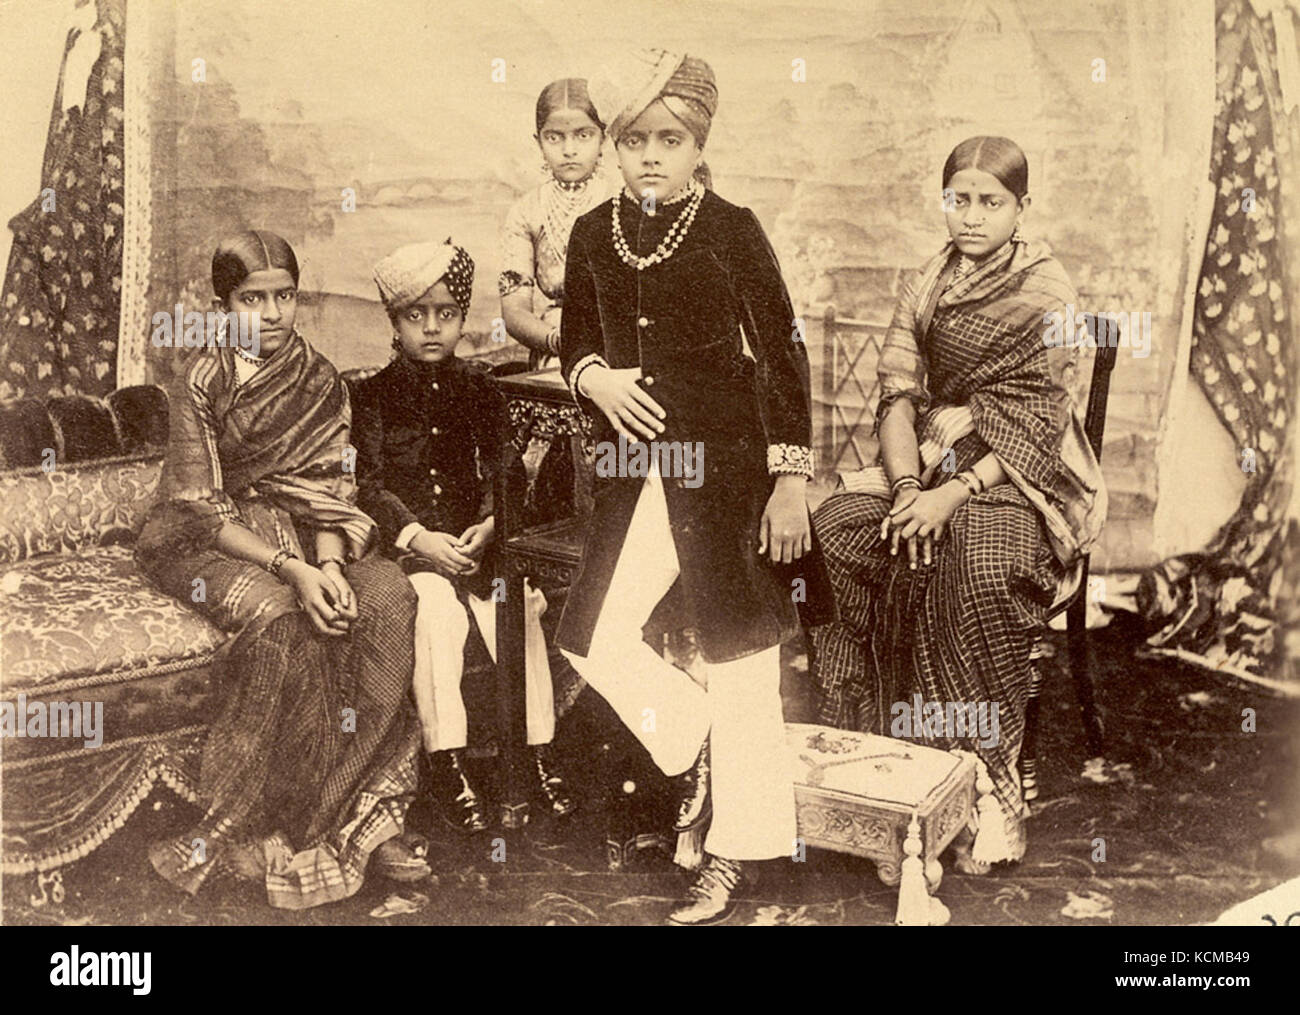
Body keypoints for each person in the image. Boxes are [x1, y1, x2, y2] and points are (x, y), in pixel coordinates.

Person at [558, 49, 833, 925]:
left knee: (740, 654)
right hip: (635, 465)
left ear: (696, 143)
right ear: (613, 146)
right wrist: (592, 378)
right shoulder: (591, 233)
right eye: (633, 139)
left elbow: (784, 353)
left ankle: (736, 856)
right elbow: (573, 341)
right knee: (589, 636)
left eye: (668, 139)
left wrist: (789, 484)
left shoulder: (732, 227)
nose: (649, 156)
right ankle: (701, 742)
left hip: (726, 464)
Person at [808, 136, 1107, 868]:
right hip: (931, 460)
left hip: (1023, 478)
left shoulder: (1050, 291)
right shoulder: (925, 282)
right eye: (959, 200)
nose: (971, 216)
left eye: (990, 202)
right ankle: (877, 766)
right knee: (839, 531)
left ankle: (982, 784)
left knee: (976, 563)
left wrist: (957, 493)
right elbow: (897, 399)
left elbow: (1042, 422)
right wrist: (911, 488)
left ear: (1021, 208)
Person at [135, 229, 429, 910]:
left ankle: (358, 815)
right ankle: (241, 827)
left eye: (284, 296)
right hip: (205, 540)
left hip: (304, 530)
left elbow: (330, 486)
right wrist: (293, 571)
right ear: (222, 304)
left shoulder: (318, 377)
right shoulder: (200, 382)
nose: (271, 313)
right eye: (252, 298)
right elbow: (201, 505)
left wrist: (327, 563)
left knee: (386, 596)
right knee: (279, 617)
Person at [350, 238, 575, 833]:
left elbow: (505, 468)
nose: (431, 329)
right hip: (412, 550)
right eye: (415, 316)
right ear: (394, 322)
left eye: (446, 314)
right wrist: (419, 538)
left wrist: (493, 522)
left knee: (519, 604)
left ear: (462, 320)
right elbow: (367, 486)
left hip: (478, 544)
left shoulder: (481, 389)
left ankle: (536, 755)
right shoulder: (368, 395)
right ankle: (447, 765)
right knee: (434, 616)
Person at [498, 78, 608, 372]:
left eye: (583, 135)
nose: (569, 149)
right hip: (554, 349)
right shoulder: (526, 212)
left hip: (617, 348)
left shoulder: (624, 202)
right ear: (539, 141)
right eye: (555, 137)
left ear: (603, 139)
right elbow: (514, 310)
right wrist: (558, 341)